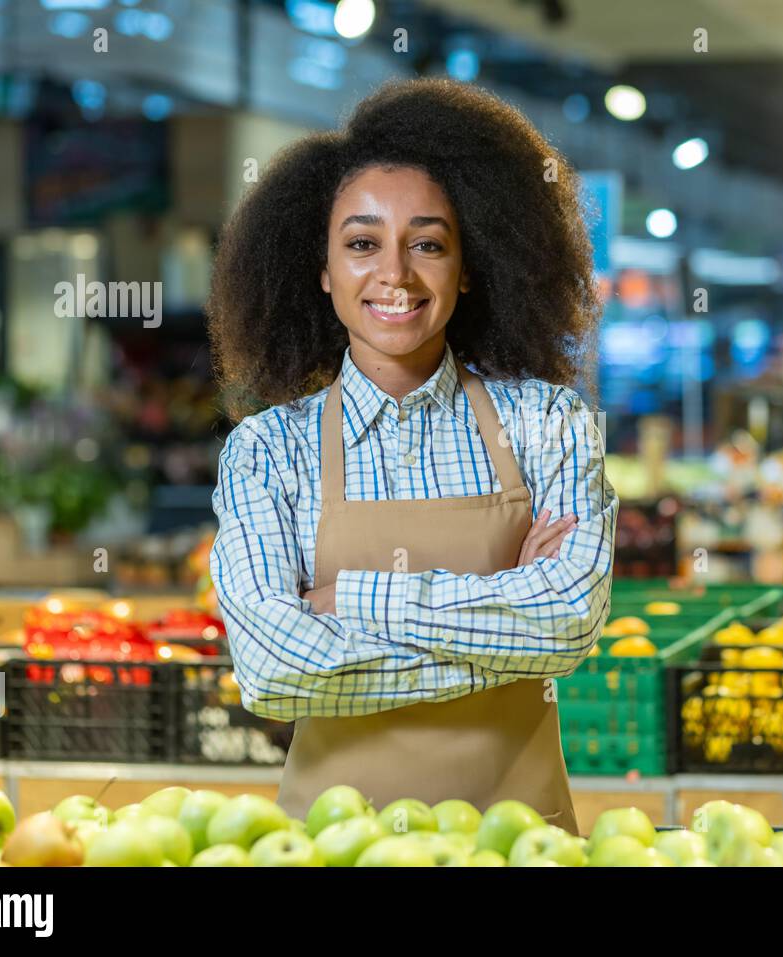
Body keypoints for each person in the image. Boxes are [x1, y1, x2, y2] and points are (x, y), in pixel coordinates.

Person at [206, 79, 617, 835]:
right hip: (329, 848)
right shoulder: (269, 450)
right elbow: (270, 669)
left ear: (470, 265)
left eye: (427, 243)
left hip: (520, 847)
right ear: (322, 271)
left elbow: (568, 624)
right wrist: (504, 636)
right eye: (362, 244)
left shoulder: (550, 424)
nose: (394, 273)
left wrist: (352, 599)